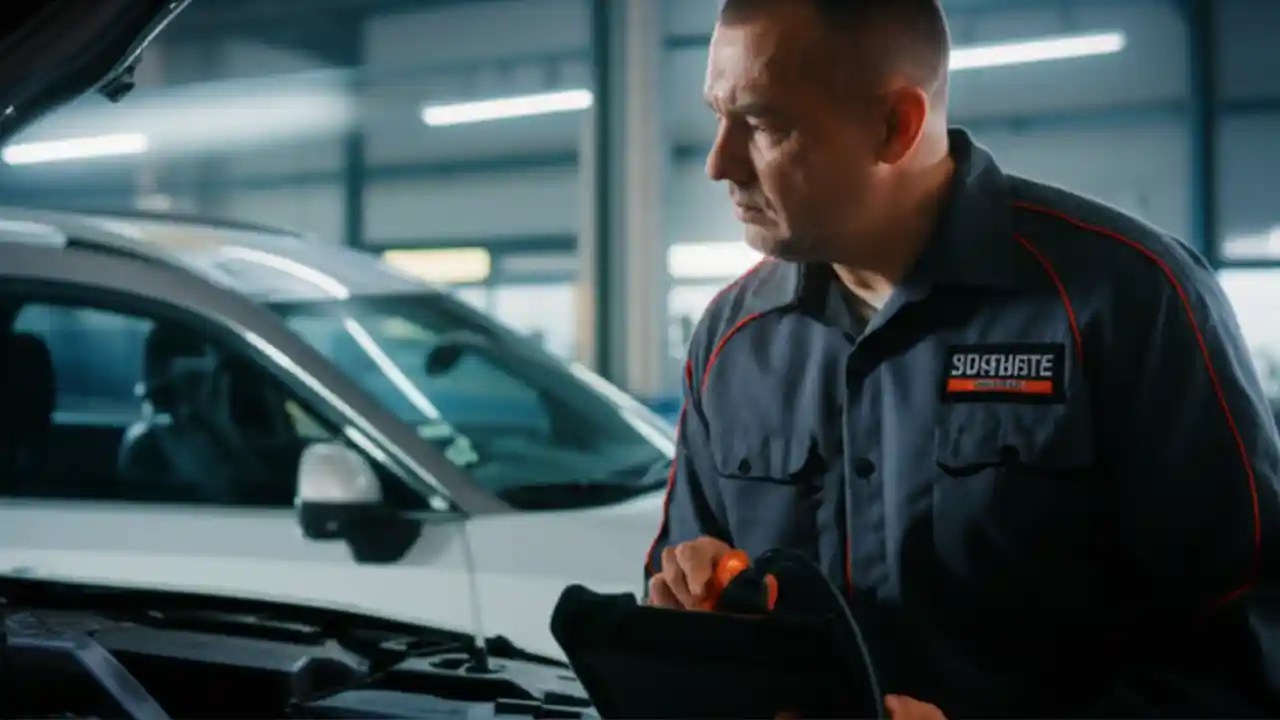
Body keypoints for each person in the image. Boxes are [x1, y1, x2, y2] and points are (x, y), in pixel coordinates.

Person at [643, 0, 1280, 717]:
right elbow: (688, 580)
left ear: (895, 126)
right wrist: (688, 608)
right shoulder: (733, 338)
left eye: (762, 124)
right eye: (717, 118)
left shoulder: (1127, 300)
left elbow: (1251, 635)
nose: (717, 162)